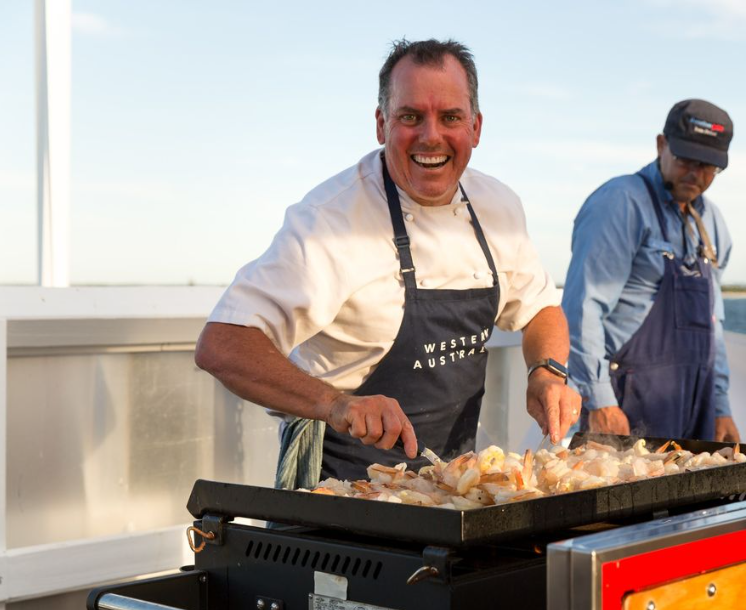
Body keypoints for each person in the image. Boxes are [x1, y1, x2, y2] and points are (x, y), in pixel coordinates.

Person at [195, 39, 581, 489]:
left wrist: (547, 371)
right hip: (340, 480)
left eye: (451, 117)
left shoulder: (499, 207)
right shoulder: (331, 222)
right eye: (410, 117)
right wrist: (337, 405)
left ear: (475, 128)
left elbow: (539, 309)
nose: (431, 136)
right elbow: (222, 344)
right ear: (382, 125)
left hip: (452, 481)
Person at [562, 99, 739, 442]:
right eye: (686, 157)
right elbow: (582, 308)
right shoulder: (621, 203)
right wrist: (599, 401)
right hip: (621, 404)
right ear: (662, 145)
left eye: (708, 165)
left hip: (691, 409)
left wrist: (719, 406)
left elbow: (714, 324)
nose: (695, 172)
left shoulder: (713, 224)